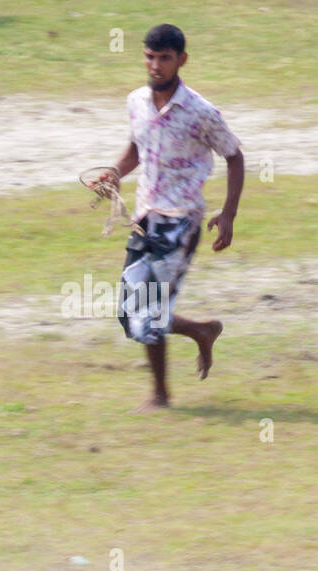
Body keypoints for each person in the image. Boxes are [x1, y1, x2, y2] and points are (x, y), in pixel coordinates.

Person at [93, 23, 244, 410]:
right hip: (145, 216)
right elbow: (135, 150)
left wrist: (227, 214)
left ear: (181, 60)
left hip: (183, 220)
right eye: (150, 56)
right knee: (131, 313)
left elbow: (234, 156)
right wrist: (113, 173)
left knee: (150, 307)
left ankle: (160, 396)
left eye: (164, 58)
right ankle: (201, 330)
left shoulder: (200, 111)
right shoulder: (136, 102)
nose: (156, 65)